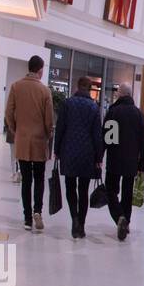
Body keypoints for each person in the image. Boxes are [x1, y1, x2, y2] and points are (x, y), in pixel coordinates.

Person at [5, 54, 54, 231]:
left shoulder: (16, 87)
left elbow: (8, 112)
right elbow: (49, 120)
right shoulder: (45, 91)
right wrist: (48, 135)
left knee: (26, 179)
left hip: (22, 140)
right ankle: (37, 212)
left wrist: (15, 129)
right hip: (39, 142)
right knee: (39, 178)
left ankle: (26, 218)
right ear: (40, 69)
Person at [54, 75, 104, 240]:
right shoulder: (94, 108)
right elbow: (98, 135)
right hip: (87, 155)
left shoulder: (67, 104)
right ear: (89, 89)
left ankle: (74, 218)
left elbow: (60, 127)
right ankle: (81, 225)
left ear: (77, 86)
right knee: (83, 190)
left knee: (70, 187)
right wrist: (99, 157)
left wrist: (57, 149)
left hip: (69, 151)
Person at [103, 82, 144, 241]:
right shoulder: (139, 114)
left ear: (120, 94)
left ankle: (119, 217)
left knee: (111, 190)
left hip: (115, 158)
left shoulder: (113, 112)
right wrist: (142, 164)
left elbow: (108, 138)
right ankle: (126, 220)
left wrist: (99, 156)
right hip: (131, 161)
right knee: (127, 193)